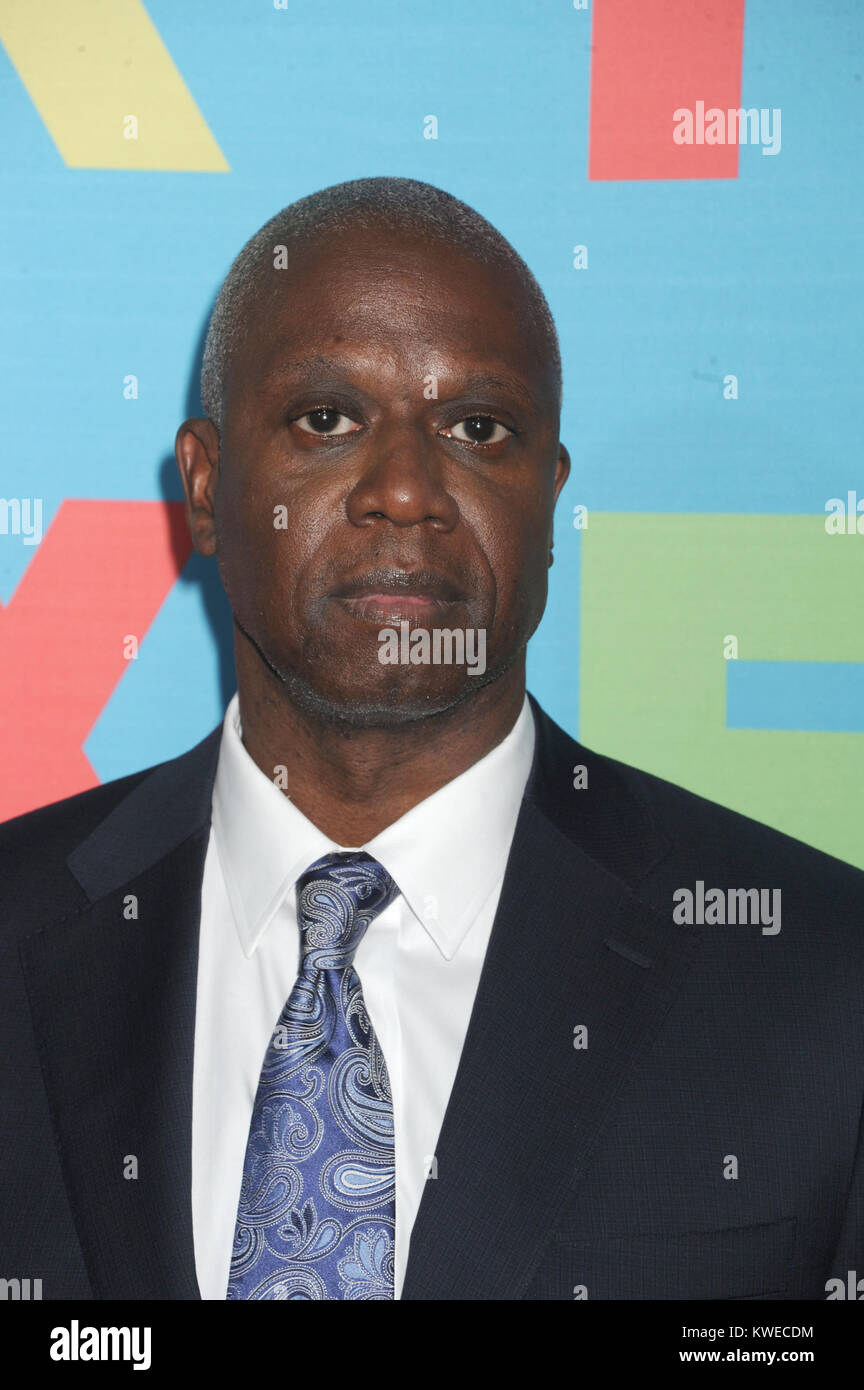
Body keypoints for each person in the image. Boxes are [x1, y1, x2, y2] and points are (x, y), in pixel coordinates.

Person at [1, 177, 862, 1301]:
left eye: (477, 428)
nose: (407, 491)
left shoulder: (819, 977)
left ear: (546, 502)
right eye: (326, 419)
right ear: (207, 489)